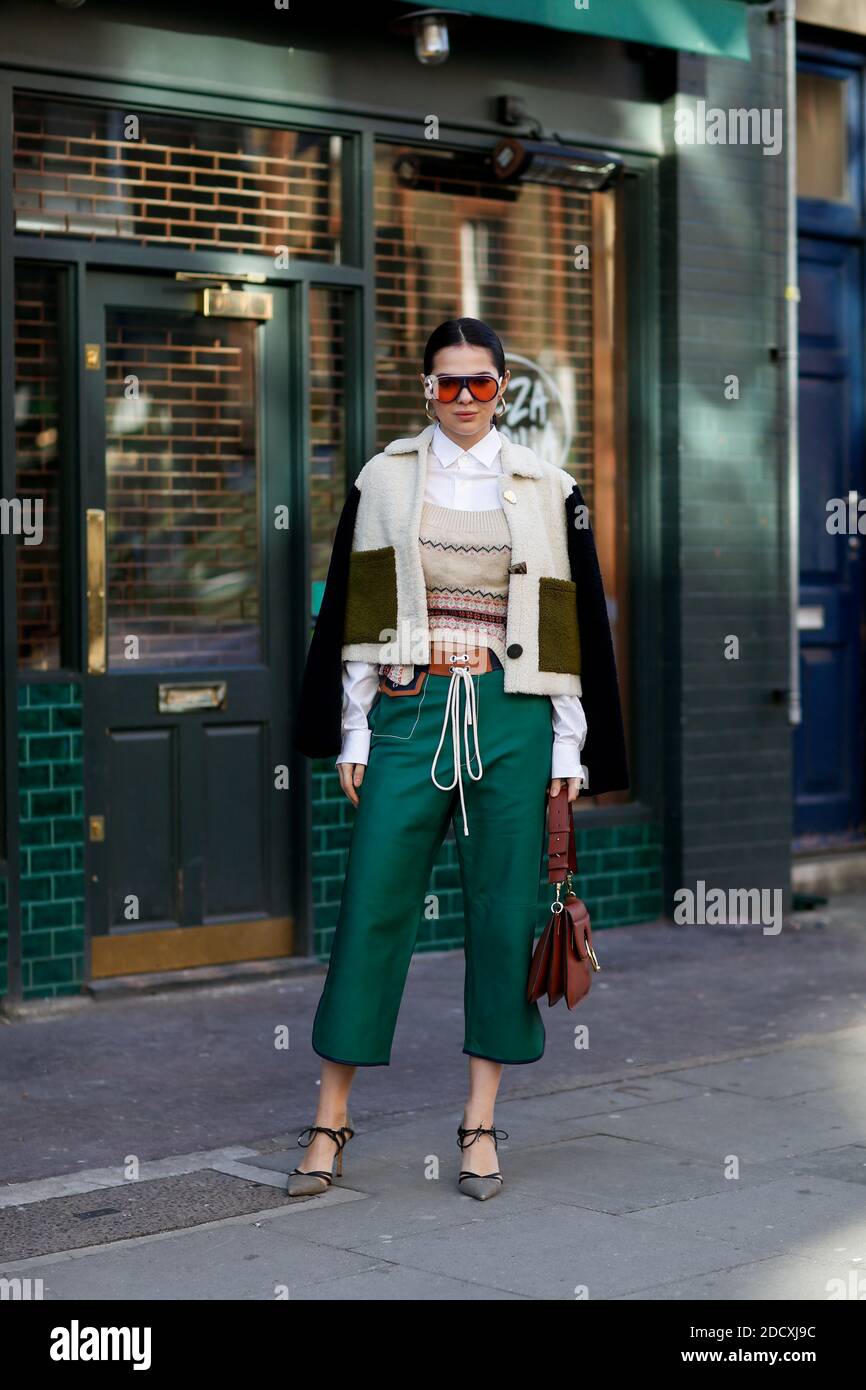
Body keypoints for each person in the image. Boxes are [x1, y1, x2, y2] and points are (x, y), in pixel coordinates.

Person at [291, 317, 628, 1200]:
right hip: (410, 710)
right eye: (449, 384)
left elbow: (568, 624)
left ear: (504, 387)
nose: (466, 399)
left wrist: (569, 746)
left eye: (483, 383)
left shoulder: (548, 487)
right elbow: (360, 615)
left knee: (503, 911)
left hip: (513, 719)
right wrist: (355, 730)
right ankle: (331, 1119)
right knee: (372, 906)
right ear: (425, 389)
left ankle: (479, 1125)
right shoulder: (386, 479)